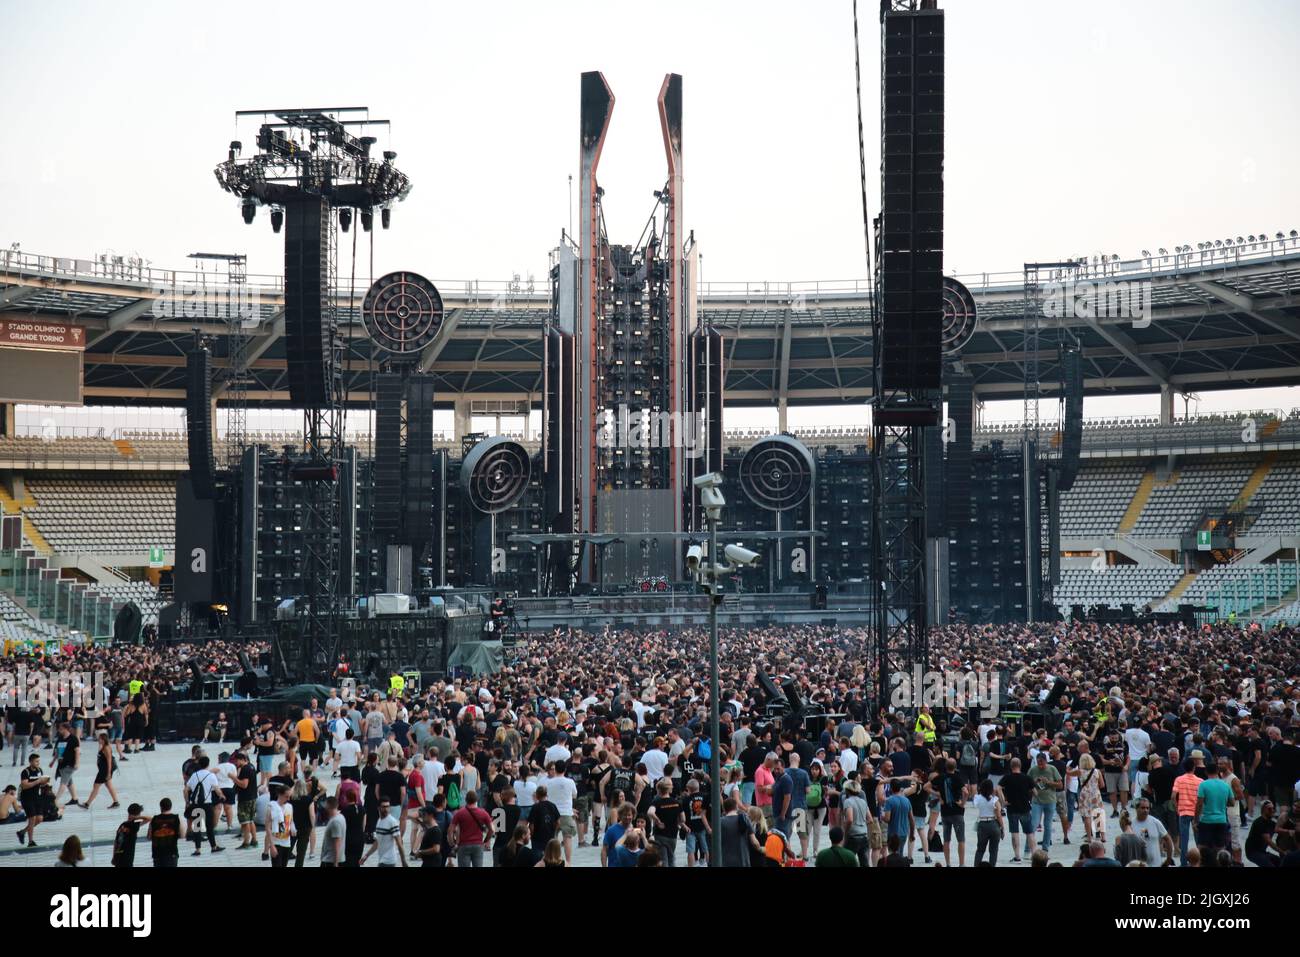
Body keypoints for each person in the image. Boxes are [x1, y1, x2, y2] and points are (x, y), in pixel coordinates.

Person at [184, 754, 224, 856]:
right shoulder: (211, 776)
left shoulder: (194, 775)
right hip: (207, 805)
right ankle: (213, 847)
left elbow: (186, 789)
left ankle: (198, 849)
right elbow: (217, 790)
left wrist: (187, 802)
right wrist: (222, 796)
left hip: (196, 805)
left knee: (197, 827)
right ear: (208, 764)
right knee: (209, 826)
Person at [998, 757, 1034, 861]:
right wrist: (1030, 798)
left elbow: (998, 788)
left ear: (1011, 766)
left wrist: (1003, 801)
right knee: (1029, 832)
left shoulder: (1007, 778)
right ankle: (1034, 854)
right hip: (1025, 807)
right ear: (1020, 766)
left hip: (1012, 808)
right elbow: (1035, 791)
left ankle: (1017, 856)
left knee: (1014, 832)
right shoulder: (1026, 778)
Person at [449, 788, 493, 867]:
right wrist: (486, 840)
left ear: (466, 800)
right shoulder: (483, 813)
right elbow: (492, 829)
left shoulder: (459, 813)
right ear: (477, 800)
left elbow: (450, 831)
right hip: (478, 845)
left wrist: (453, 844)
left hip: (463, 845)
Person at [1028, 751, 1062, 850]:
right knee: (1033, 824)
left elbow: (1060, 785)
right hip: (1036, 801)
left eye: (1042, 763)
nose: (1040, 765)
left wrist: (1049, 782)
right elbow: (1027, 784)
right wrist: (1034, 782)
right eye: (1038, 763)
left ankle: (1045, 847)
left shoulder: (1052, 769)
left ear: (1046, 761)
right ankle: (1029, 847)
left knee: (1048, 825)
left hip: (1050, 800)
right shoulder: (1033, 770)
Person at [360, 798, 407, 867]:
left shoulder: (392, 822)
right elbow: (377, 842)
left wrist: (404, 862)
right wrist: (367, 855)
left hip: (389, 861)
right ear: (379, 808)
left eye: (388, 806)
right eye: (384, 807)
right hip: (382, 860)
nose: (386, 809)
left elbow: (399, 844)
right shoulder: (379, 821)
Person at [1130, 798, 1174, 867]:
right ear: (1136, 808)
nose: (1146, 810)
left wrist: (1168, 859)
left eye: (1147, 808)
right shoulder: (1131, 824)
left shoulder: (1155, 822)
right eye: (1143, 808)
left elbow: (1168, 839)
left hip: (1156, 864)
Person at [18, 752, 50, 847]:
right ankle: (30, 841)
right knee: (32, 819)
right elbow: (24, 786)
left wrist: (45, 782)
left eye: (38, 761)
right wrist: (38, 781)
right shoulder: (25, 772)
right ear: (31, 762)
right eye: (36, 761)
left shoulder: (39, 770)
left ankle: (22, 832)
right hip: (27, 798)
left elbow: (40, 783)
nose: (38, 763)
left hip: (37, 797)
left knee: (40, 819)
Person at [83, 731, 121, 810]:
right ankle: (116, 802)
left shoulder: (107, 748)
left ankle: (87, 803)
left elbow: (109, 761)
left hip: (104, 770)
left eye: (99, 739)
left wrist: (108, 773)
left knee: (96, 786)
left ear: (103, 739)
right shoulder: (102, 746)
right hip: (103, 769)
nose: (98, 740)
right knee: (109, 785)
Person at [718, 796, 759, 867]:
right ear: (736, 807)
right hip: (743, 860)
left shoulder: (720, 821)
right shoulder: (744, 819)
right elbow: (754, 842)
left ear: (724, 809)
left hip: (726, 861)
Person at [973, 777, 1005, 867]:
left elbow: (975, 803)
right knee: (994, 850)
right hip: (993, 824)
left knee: (980, 849)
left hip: (982, 824)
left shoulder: (977, 798)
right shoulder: (994, 800)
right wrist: (1002, 827)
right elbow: (998, 815)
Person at [147, 797, 183, 868]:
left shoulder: (154, 819)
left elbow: (149, 837)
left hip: (157, 854)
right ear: (171, 806)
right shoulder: (176, 818)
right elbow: (182, 835)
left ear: (161, 807)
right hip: (171, 853)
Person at [319, 796, 345, 867]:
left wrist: (335, 863)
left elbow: (337, 842)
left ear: (328, 806)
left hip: (330, 860)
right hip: (330, 858)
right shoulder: (340, 817)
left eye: (326, 805)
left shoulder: (335, 822)